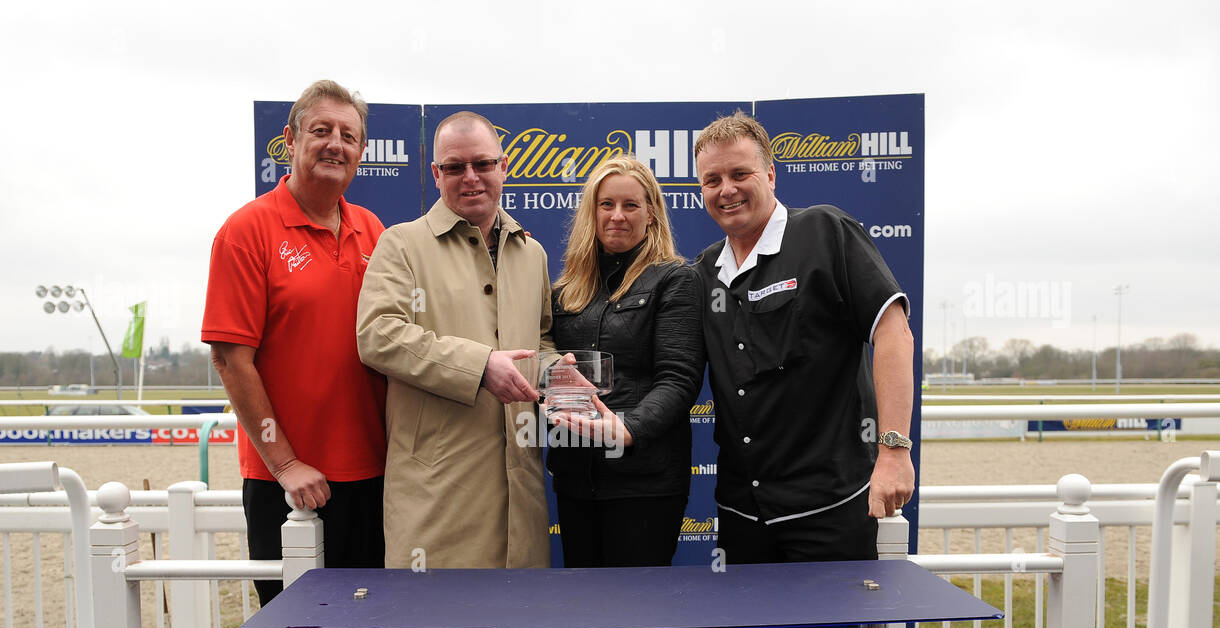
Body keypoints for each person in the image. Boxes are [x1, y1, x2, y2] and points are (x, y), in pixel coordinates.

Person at [201, 80, 387, 628]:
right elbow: (230, 356)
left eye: (348, 134)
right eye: (321, 131)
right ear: (291, 140)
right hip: (291, 488)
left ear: (362, 151)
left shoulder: (373, 231)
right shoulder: (247, 230)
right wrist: (283, 460)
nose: (335, 144)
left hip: (374, 476)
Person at [692, 111, 915, 563]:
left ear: (770, 174)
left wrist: (894, 451)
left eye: (740, 174)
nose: (726, 190)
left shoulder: (826, 232)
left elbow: (894, 332)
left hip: (829, 508)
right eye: (712, 180)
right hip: (741, 515)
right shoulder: (702, 273)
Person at [357, 111, 555, 569]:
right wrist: (481, 366)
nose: (471, 178)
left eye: (483, 164)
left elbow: (540, 343)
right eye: (455, 167)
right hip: (437, 505)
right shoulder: (401, 244)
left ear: (503, 167)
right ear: (435, 174)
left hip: (521, 504)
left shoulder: (533, 253)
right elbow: (378, 334)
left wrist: (560, 375)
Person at [546, 155, 704, 567]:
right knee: (584, 612)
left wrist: (628, 428)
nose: (618, 216)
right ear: (591, 213)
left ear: (651, 212)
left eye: (631, 205)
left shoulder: (675, 279)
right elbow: (549, 366)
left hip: (645, 481)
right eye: (606, 204)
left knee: (639, 614)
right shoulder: (565, 291)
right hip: (576, 479)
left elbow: (679, 379)